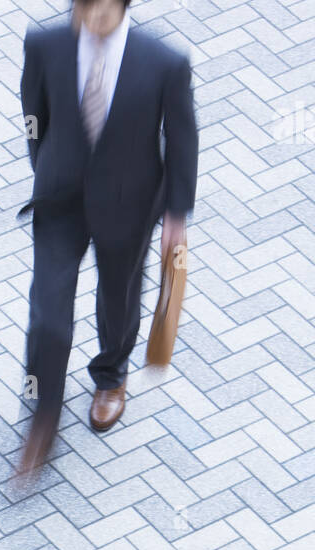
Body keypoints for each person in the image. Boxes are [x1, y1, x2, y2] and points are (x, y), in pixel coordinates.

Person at [16, 0, 199, 476]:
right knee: (48, 311)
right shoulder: (45, 45)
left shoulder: (163, 63)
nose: (91, 17)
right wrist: (46, 164)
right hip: (59, 200)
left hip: (129, 204)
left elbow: (181, 138)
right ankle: (43, 411)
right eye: (83, 5)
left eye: (101, 7)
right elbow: (33, 115)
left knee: (117, 297)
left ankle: (110, 376)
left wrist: (177, 214)